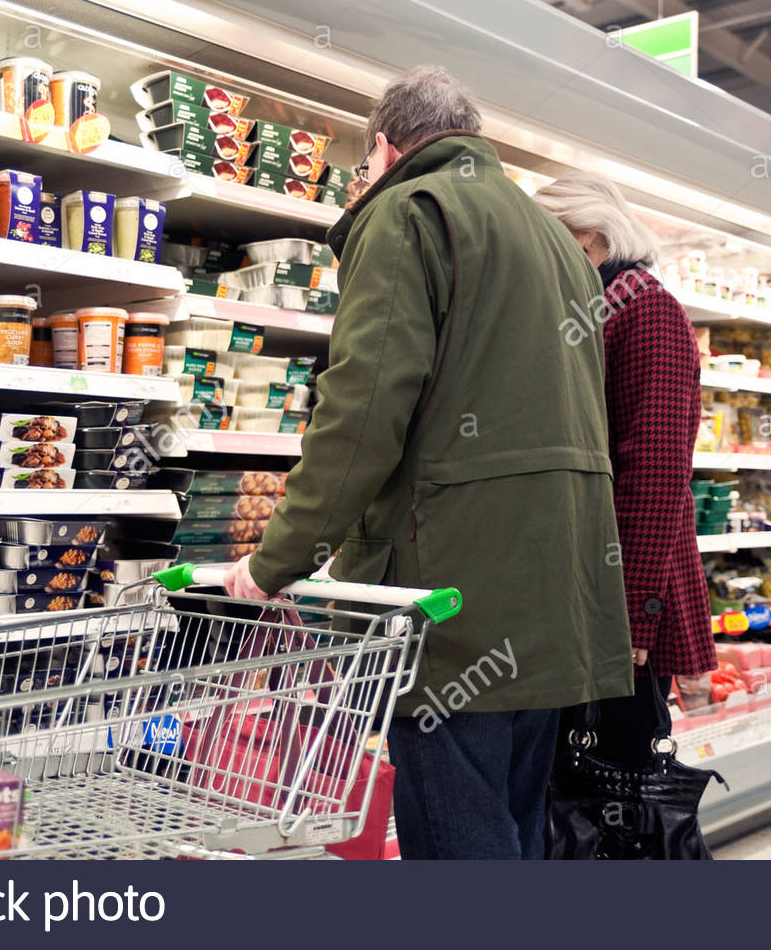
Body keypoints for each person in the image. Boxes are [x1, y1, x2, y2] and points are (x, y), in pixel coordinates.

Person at [223, 66, 634, 859]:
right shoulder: (556, 236)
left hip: (450, 596)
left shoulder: (410, 212)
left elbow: (363, 414)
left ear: (383, 148)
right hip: (553, 594)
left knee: (457, 846)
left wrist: (276, 562)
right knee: (511, 830)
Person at [532, 172, 718, 766]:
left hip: (623, 601)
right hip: (585, 592)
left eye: (549, 240)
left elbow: (656, 475)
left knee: (617, 786)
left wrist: (631, 620)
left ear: (591, 240)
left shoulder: (648, 310)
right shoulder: (595, 309)